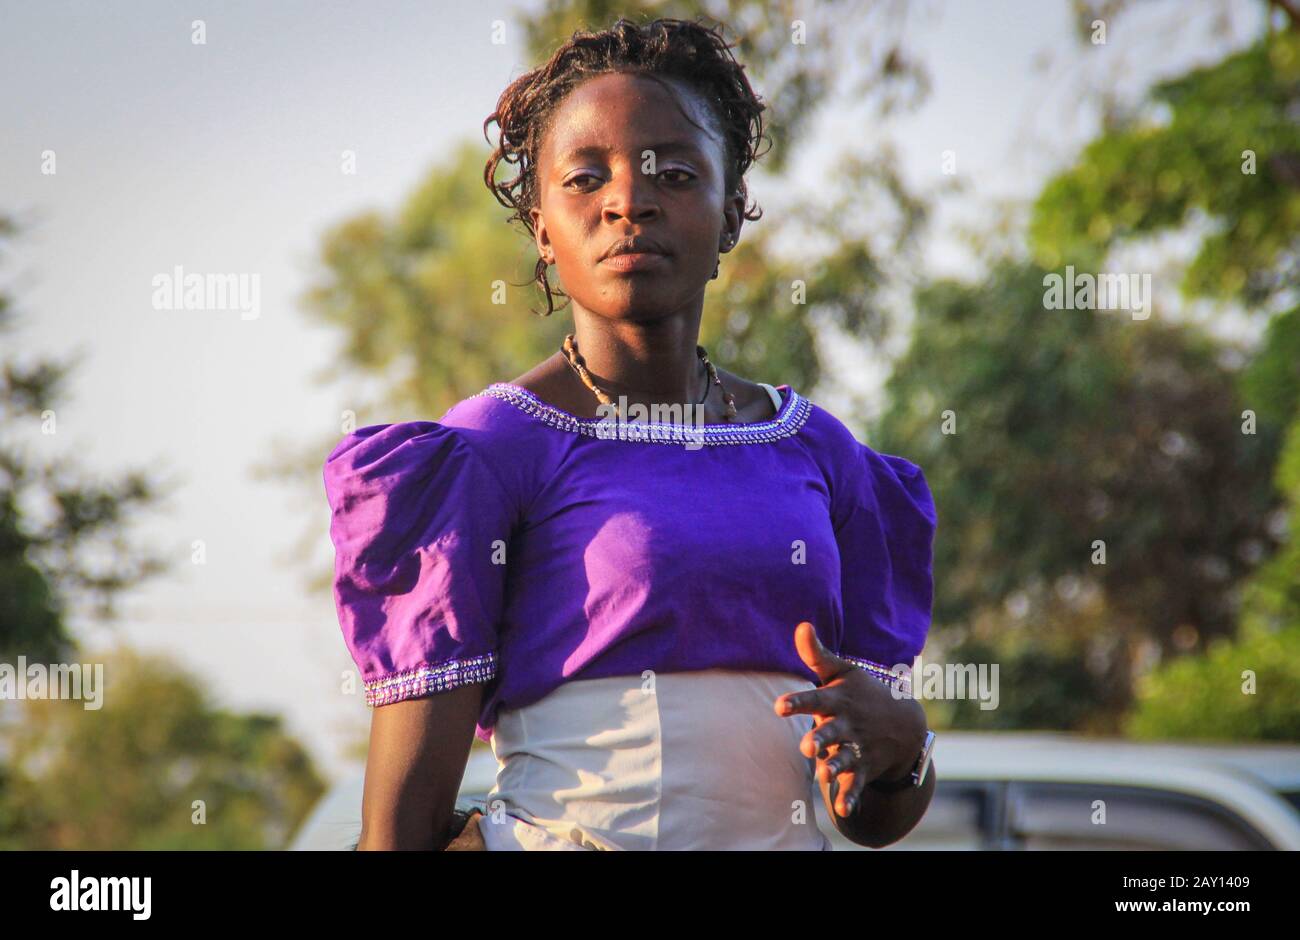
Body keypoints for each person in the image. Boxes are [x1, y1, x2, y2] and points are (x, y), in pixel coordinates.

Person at [323, 16, 938, 851]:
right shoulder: (488, 452)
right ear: (541, 228)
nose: (628, 200)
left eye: (675, 172)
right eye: (584, 178)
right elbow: (397, 834)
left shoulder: (819, 452)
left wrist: (905, 753)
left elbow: (871, 816)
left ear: (730, 215)